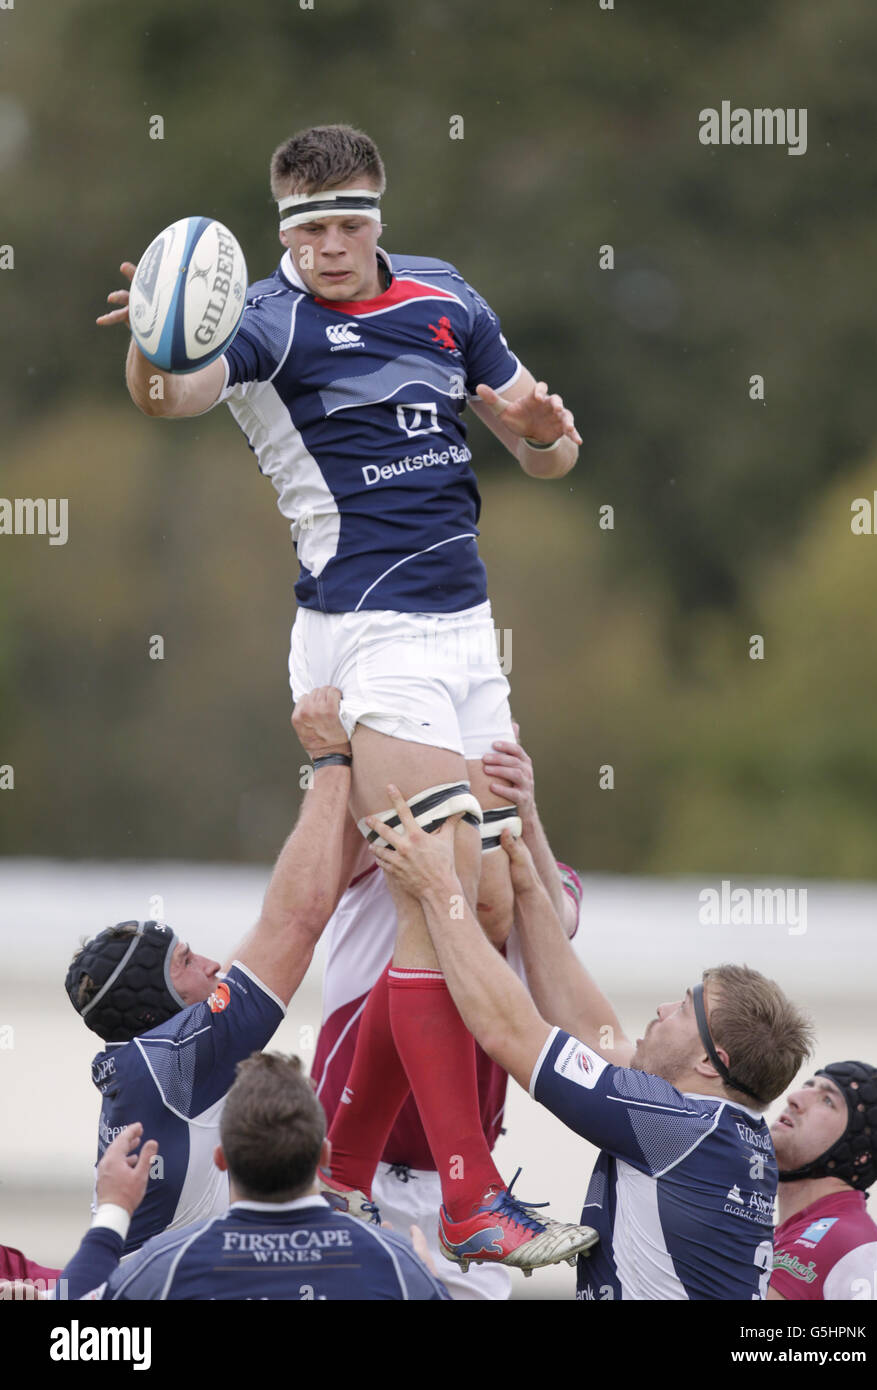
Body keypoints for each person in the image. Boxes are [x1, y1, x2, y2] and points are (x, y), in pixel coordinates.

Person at [97, 122, 587, 1268]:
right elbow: (168, 397)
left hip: (468, 635)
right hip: (364, 637)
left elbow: (543, 445)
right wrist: (155, 339)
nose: (327, 247)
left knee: (507, 907)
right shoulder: (266, 319)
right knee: (440, 891)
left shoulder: (448, 298)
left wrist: (546, 439)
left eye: (346, 225)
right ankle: (468, 1195)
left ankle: (354, 1173)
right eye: (308, 230)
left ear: (378, 217)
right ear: (282, 233)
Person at [365, 788, 816, 1298]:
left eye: (684, 1011)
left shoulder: (674, 1125)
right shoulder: (720, 1126)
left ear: (714, 1064)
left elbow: (508, 1030)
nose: (663, 1011)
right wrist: (531, 871)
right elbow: (591, 1032)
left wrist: (438, 889)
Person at [63, 688, 361, 1253]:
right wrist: (328, 760)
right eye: (186, 961)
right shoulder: (175, 1057)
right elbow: (294, 924)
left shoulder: (147, 1056)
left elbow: (285, 925)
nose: (212, 964)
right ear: (157, 1003)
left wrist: (349, 796)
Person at [313, 729, 584, 1297]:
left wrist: (526, 817)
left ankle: (470, 1204)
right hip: (350, 1154)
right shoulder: (390, 845)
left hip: (455, 1175)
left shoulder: (532, 875)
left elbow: (548, 924)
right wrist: (340, 751)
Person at [54, 1052, 448, 1301]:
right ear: (323, 1156)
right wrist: (429, 1284)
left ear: (222, 1159)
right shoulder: (395, 1264)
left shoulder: (166, 1266)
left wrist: (113, 1212)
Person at [767, 1061, 877, 1301]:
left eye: (827, 1100)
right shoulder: (802, 1230)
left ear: (858, 1154)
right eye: (807, 1086)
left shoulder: (835, 1237)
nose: (794, 1098)